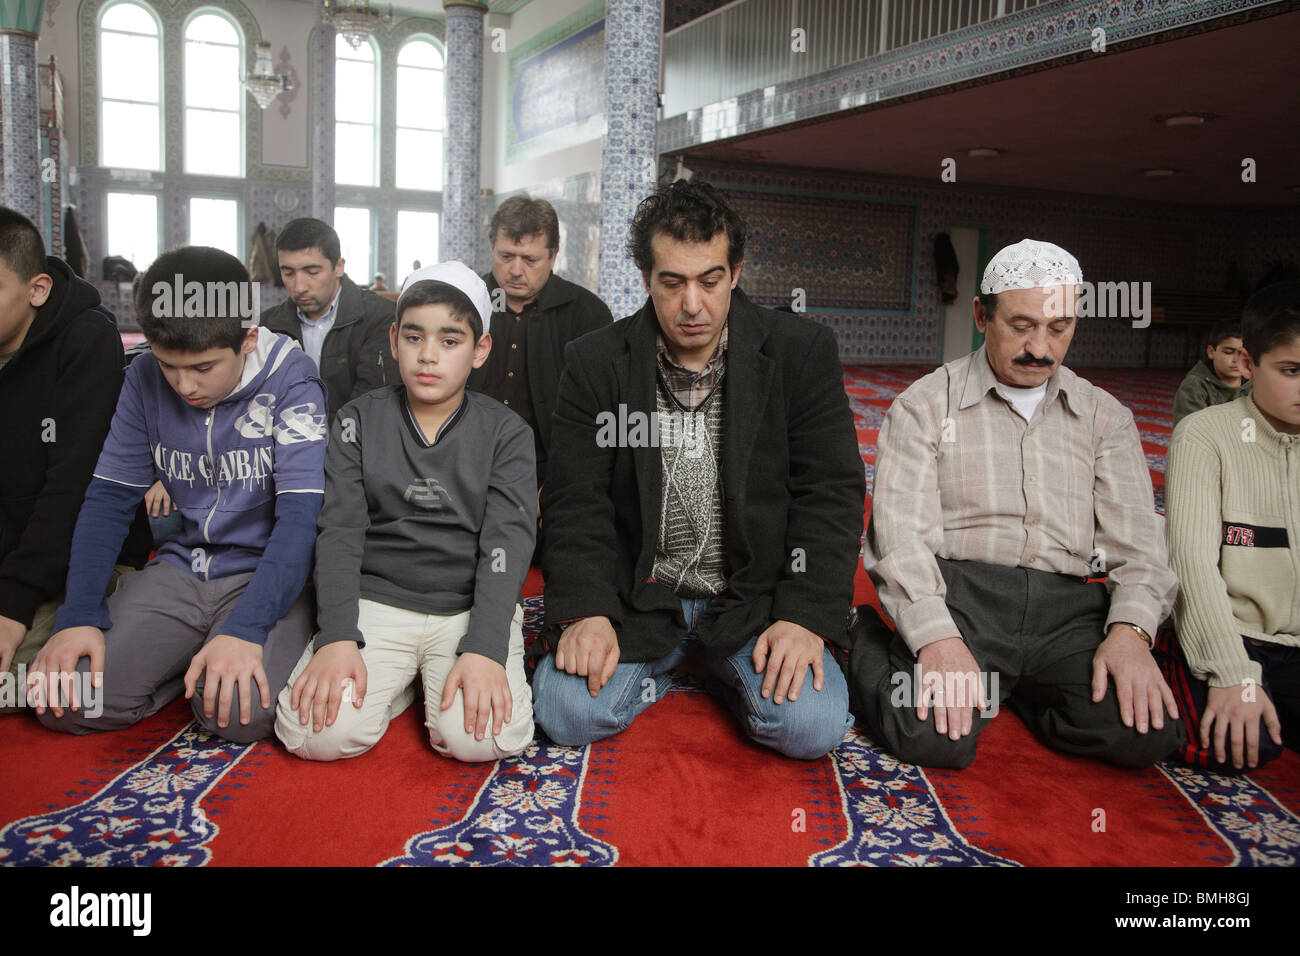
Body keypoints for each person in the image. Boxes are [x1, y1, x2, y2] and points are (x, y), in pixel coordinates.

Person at [532, 180, 864, 760]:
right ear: (645, 279)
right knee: (566, 712)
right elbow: (575, 500)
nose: (693, 304)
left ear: (735, 273)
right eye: (673, 282)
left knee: (810, 728)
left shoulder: (799, 352)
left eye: (709, 281)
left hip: (750, 599)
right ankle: (690, 674)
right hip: (637, 596)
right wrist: (587, 610)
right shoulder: (595, 362)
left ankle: (723, 664)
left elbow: (830, 493)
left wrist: (803, 616)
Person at [851, 238, 1183, 769]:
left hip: (1066, 610)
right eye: (1021, 326)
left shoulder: (1105, 417)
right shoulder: (926, 404)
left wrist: (1131, 633)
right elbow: (900, 536)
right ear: (983, 315)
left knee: (1145, 732)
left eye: (1059, 329)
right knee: (931, 736)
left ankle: (1017, 684)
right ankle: (863, 636)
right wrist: (936, 638)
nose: (1040, 349)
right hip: (965, 596)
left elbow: (1140, 545)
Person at [28, 246, 327, 742]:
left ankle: (217, 649)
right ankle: (186, 657)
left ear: (248, 339)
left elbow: (300, 518)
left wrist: (246, 629)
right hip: (182, 565)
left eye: (204, 368)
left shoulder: (293, 381)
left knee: (237, 713)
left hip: (266, 572)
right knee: (64, 700)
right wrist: (78, 615)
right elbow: (108, 500)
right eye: (169, 365)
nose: (184, 385)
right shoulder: (144, 376)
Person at [275, 262, 535, 762]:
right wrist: (337, 638)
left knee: (481, 740)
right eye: (415, 337)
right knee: (310, 736)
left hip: (465, 606)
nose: (428, 356)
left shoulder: (506, 433)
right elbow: (340, 532)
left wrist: (484, 647)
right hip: (378, 601)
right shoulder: (357, 420)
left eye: (451, 340)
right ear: (394, 340)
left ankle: (432, 679)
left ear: (480, 350)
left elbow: (507, 544)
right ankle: (403, 684)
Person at [0, 208, 149, 714]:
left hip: (65, 557)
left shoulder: (84, 339)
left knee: (54, 693)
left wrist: (13, 604)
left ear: (36, 289)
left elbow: (74, 489)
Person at [1161, 282, 1300, 772]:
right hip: (1236, 635)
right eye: (1291, 371)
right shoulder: (1206, 435)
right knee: (1242, 745)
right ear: (1247, 364)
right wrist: (1232, 672)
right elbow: (1193, 564)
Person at [470, 195, 613, 496]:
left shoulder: (586, 314)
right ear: (492, 249)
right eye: (506, 256)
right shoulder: (465, 305)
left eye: (530, 259)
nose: (516, 271)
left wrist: (555, 489)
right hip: (465, 466)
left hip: (550, 476)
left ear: (552, 256)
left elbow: (598, 417)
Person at [260, 217, 395, 419]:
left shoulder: (379, 317)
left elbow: (371, 403)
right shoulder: (267, 326)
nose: (299, 287)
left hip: (353, 445)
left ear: (339, 266)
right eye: (288, 273)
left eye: (312, 272)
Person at [1171, 319, 1252, 428]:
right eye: (1229, 352)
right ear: (1211, 352)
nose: (1236, 360)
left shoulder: (1255, 385)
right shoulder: (1195, 386)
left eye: (1243, 354)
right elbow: (1190, 432)